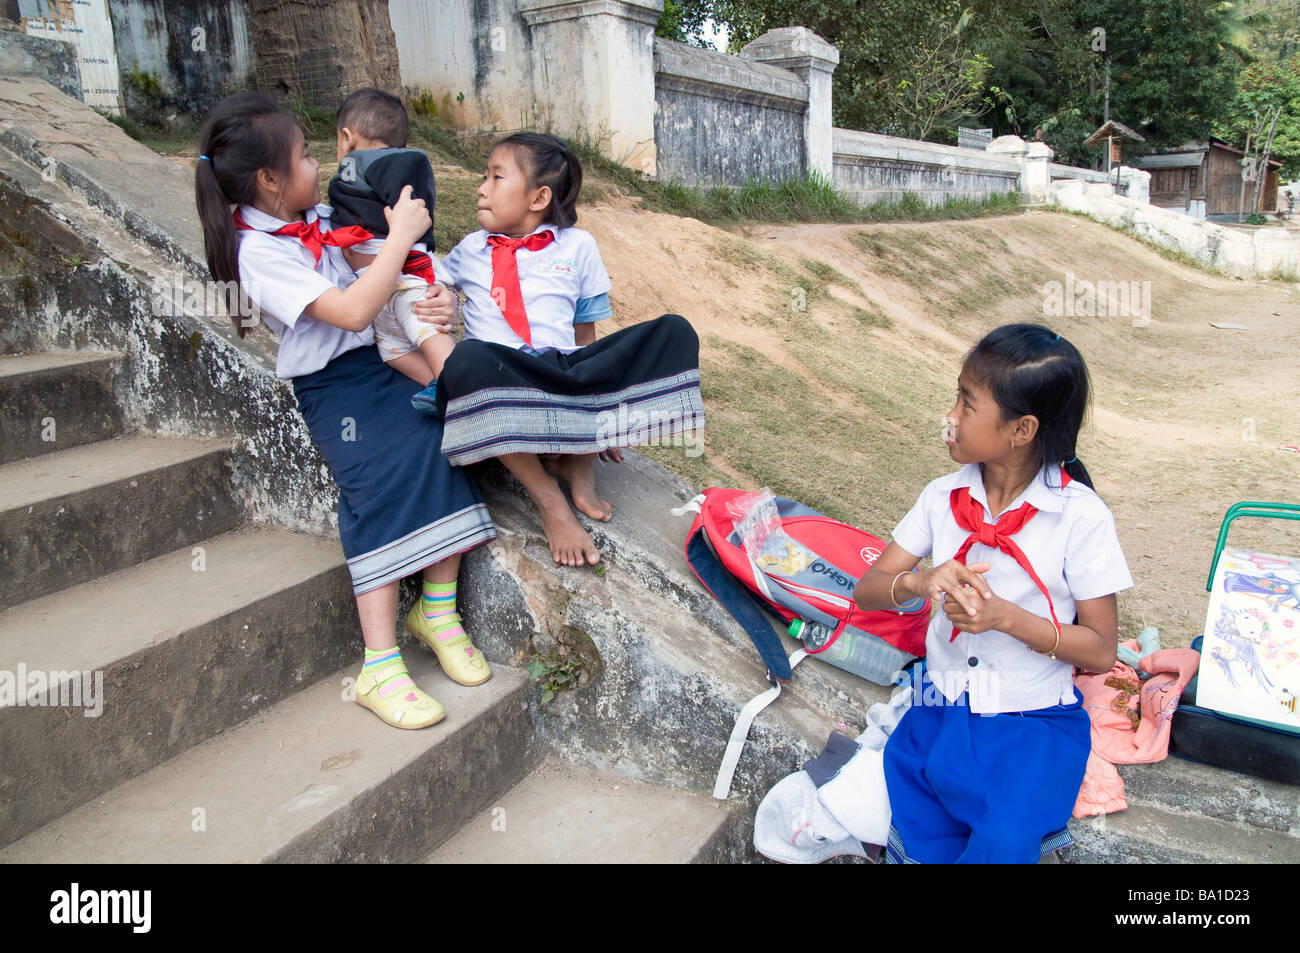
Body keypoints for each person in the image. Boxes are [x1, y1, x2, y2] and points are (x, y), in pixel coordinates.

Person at [194, 91, 497, 732]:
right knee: (374, 490)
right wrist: (403, 238)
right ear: (270, 180)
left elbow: (391, 270)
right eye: (304, 156)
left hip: (384, 363)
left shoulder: (323, 213)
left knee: (446, 442)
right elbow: (354, 309)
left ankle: (437, 611)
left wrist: (436, 293)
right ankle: (379, 665)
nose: (319, 164)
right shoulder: (259, 252)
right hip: (337, 387)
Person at [852, 324, 1133, 863]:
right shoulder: (942, 497)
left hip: (1029, 730)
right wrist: (919, 581)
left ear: (1021, 429)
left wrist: (1005, 618)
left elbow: (1100, 650)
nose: (949, 417)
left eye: (966, 403)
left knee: (1002, 844)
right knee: (921, 836)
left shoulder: (1081, 518)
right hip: (939, 712)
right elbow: (869, 591)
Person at [431, 132, 705, 568]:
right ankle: (549, 501)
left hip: (560, 373)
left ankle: (577, 465)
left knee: (674, 332)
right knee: (467, 358)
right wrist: (441, 297)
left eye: (496, 177)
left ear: (539, 197)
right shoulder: (469, 250)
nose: (480, 187)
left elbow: (585, 338)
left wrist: (599, 416)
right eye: (484, 176)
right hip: (501, 382)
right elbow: (433, 286)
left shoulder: (577, 246)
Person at [326, 88, 455, 407]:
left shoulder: (389, 166)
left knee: (428, 334)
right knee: (393, 350)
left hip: (406, 278)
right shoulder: (386, 172)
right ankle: (439, 388)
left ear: (346, 137)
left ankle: (465, 392)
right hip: (378, 293)